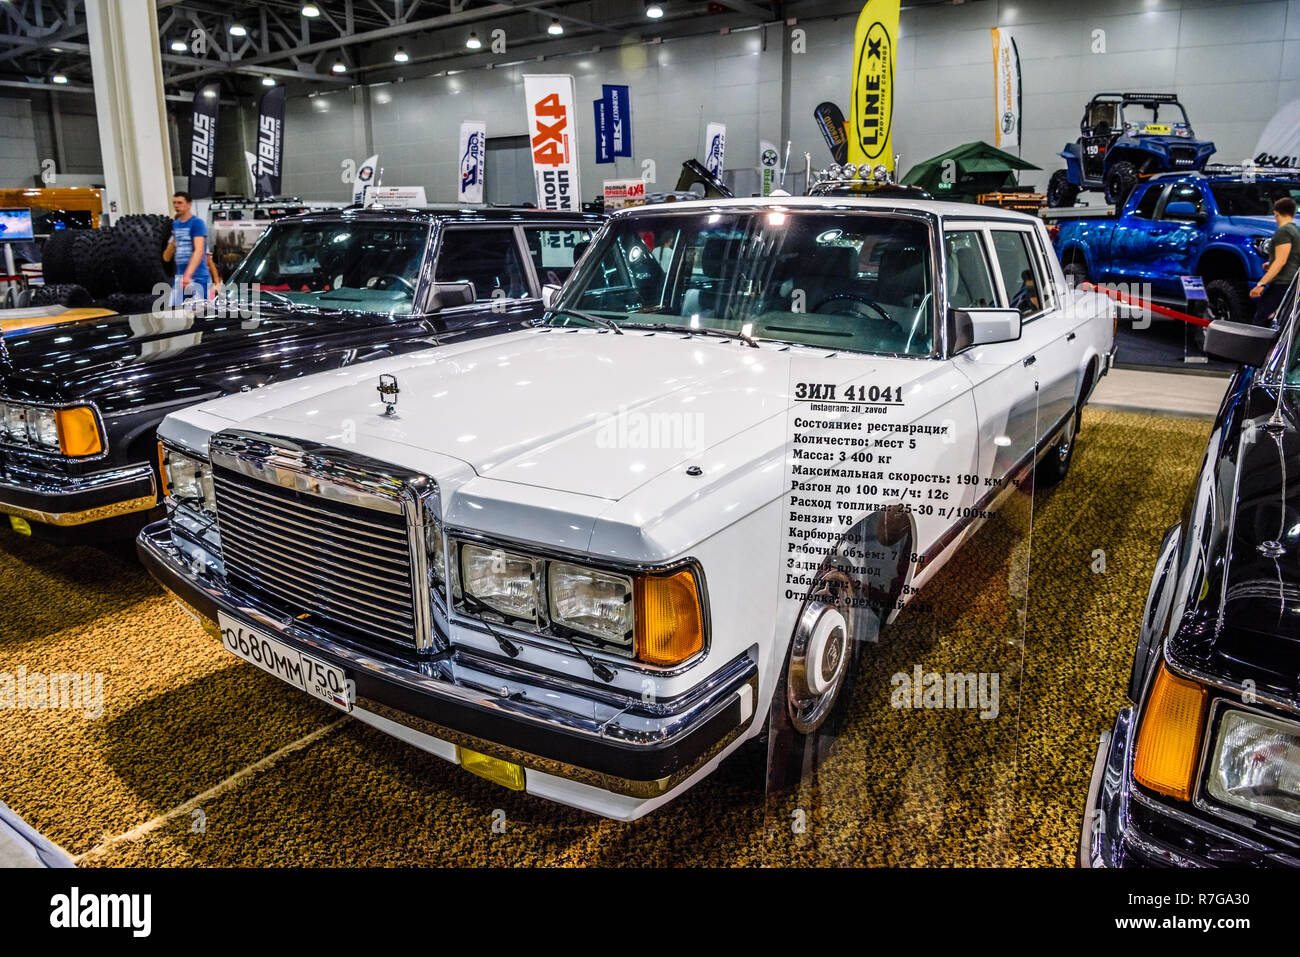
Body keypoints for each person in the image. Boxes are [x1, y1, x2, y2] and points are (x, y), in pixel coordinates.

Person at [1249, 196, 1300, 326]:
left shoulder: (1283, 232)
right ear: (1293, 213)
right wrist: (1270, 264)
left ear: (1275, 213)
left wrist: (1261, 284)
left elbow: (1281, 261)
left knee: (1261, 322)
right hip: (1292, 283)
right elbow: (1290, 257)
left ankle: (1258, 346)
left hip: (1282, 283)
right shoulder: (1295, 231)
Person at [162, 191, 212, 305]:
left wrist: (188, 275)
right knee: (174, 310)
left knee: (201, 312)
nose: (176, 206)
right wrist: (174, 240)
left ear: (189, 204)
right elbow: (166, 257)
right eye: (174, 203)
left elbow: (199, 250)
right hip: (181, 275)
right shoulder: (176, 224)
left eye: (180, 203)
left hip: (198, 275)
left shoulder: (197, 223)